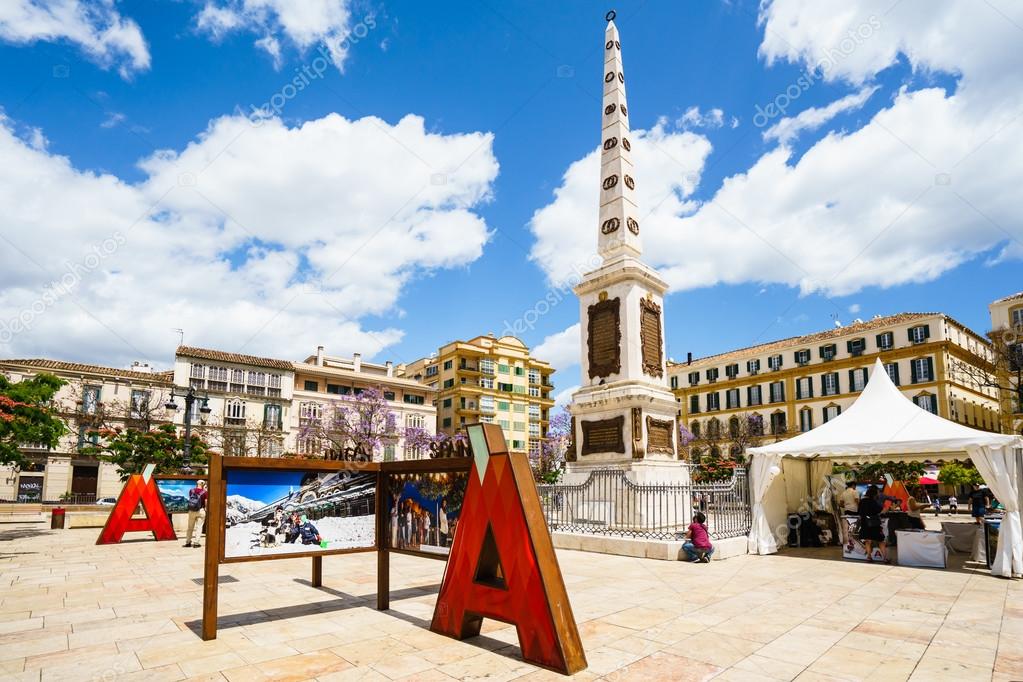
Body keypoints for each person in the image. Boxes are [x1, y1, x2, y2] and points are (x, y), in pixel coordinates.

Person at [858, 485, 889, 563]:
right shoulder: (873, 502)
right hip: (874, 524)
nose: (879, 493)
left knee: (868, 541)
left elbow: (859, 512)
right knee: (881, 541)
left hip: (865, 523)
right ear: (874, 493)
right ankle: (885, 558)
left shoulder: (862, 501)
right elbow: (880, 511)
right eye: (878, 492)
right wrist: (885, 510)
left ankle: (869, 557)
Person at [184, 480, 208, 548]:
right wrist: (206, 509)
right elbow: (206, 502)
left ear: (197, 484)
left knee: (190, 527)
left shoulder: (191, 491)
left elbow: (191, 499)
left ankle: (188, 542)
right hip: (200, 510)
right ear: (203, 484)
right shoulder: (205, 492)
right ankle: (196, 543)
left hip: (191, 510)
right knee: (199, 527)